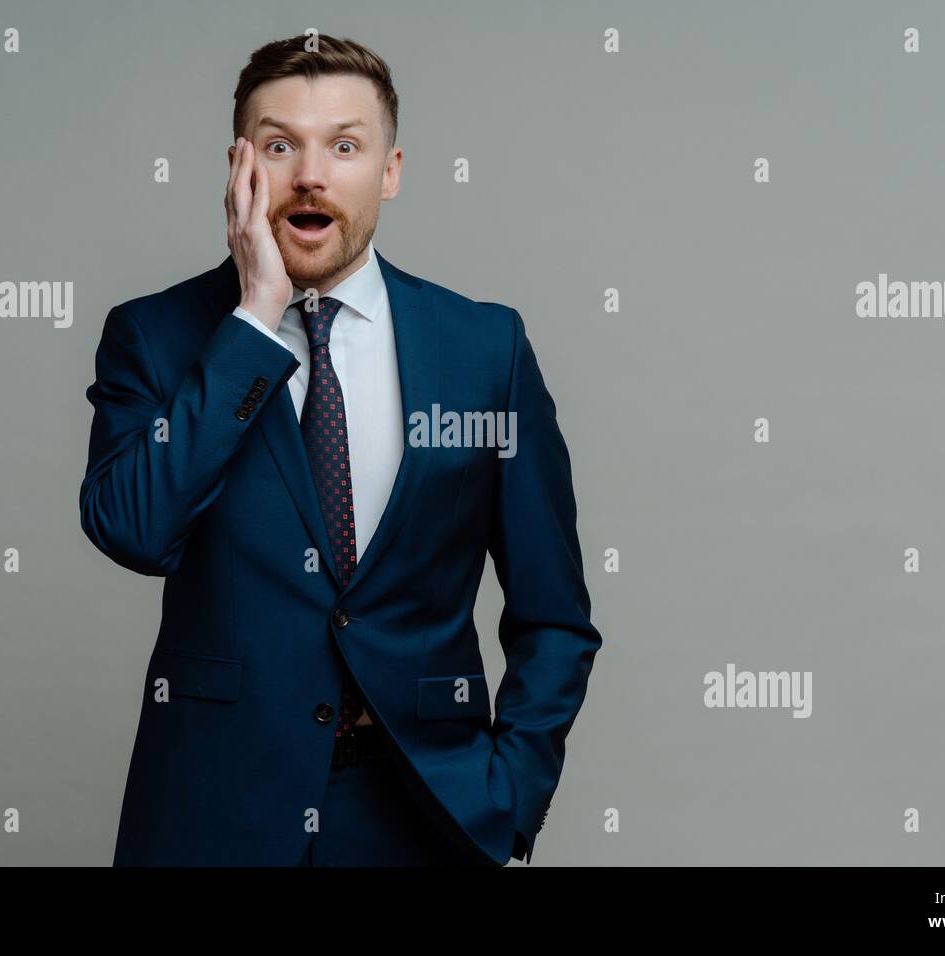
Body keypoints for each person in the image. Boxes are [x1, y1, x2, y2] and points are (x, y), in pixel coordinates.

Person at [80, 33, 602, 866]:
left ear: (390, 171)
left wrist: (509, 799)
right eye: (280, 145)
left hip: (424, 815)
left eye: (346, 146)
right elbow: (135, 531)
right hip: (214, 818)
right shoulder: (156, 336)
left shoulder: (483, 349)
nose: (311, 175)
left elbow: (555, 615)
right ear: (240, 167)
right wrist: (253, 320)